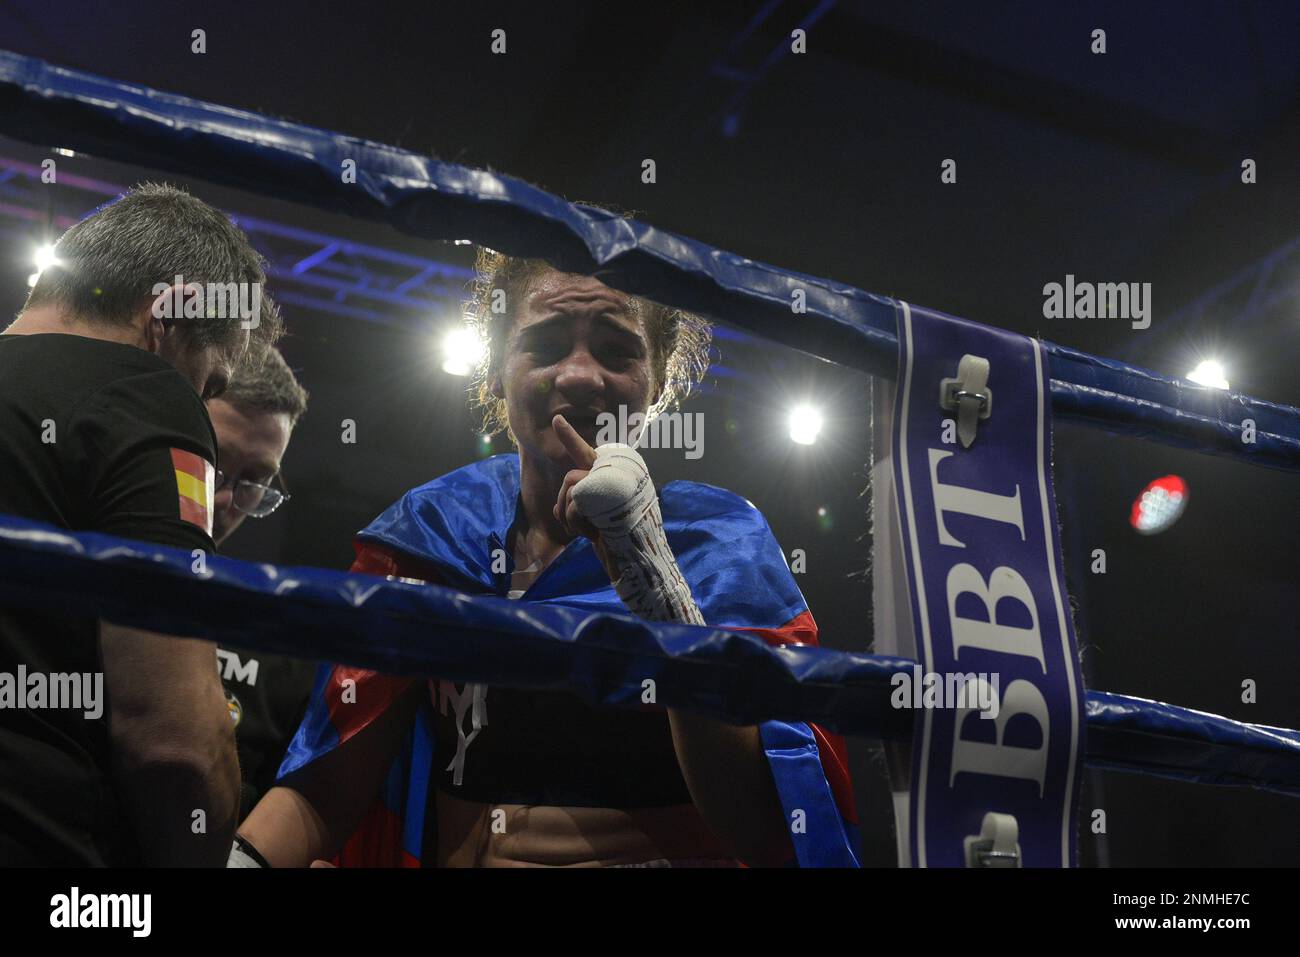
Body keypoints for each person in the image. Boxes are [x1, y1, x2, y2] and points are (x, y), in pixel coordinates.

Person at [234, 252, 858, 868]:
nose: (582, 375)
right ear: (494, 369)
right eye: (548, 343)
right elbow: (325, 789)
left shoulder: (718, 546)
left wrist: (660, 589)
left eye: (618, 350)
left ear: (659, 380)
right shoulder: (431, 533)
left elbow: (771, 833)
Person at [0, 183, 282, 866]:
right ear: (168, 318)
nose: (202, 403)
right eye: (211, 384)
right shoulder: (142, 389)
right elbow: (175, 744)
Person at [206, 345, 314, 818]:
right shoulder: (59, 573)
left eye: (253, 480)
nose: (223, 498)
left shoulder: (281, 645)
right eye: (209, 459)